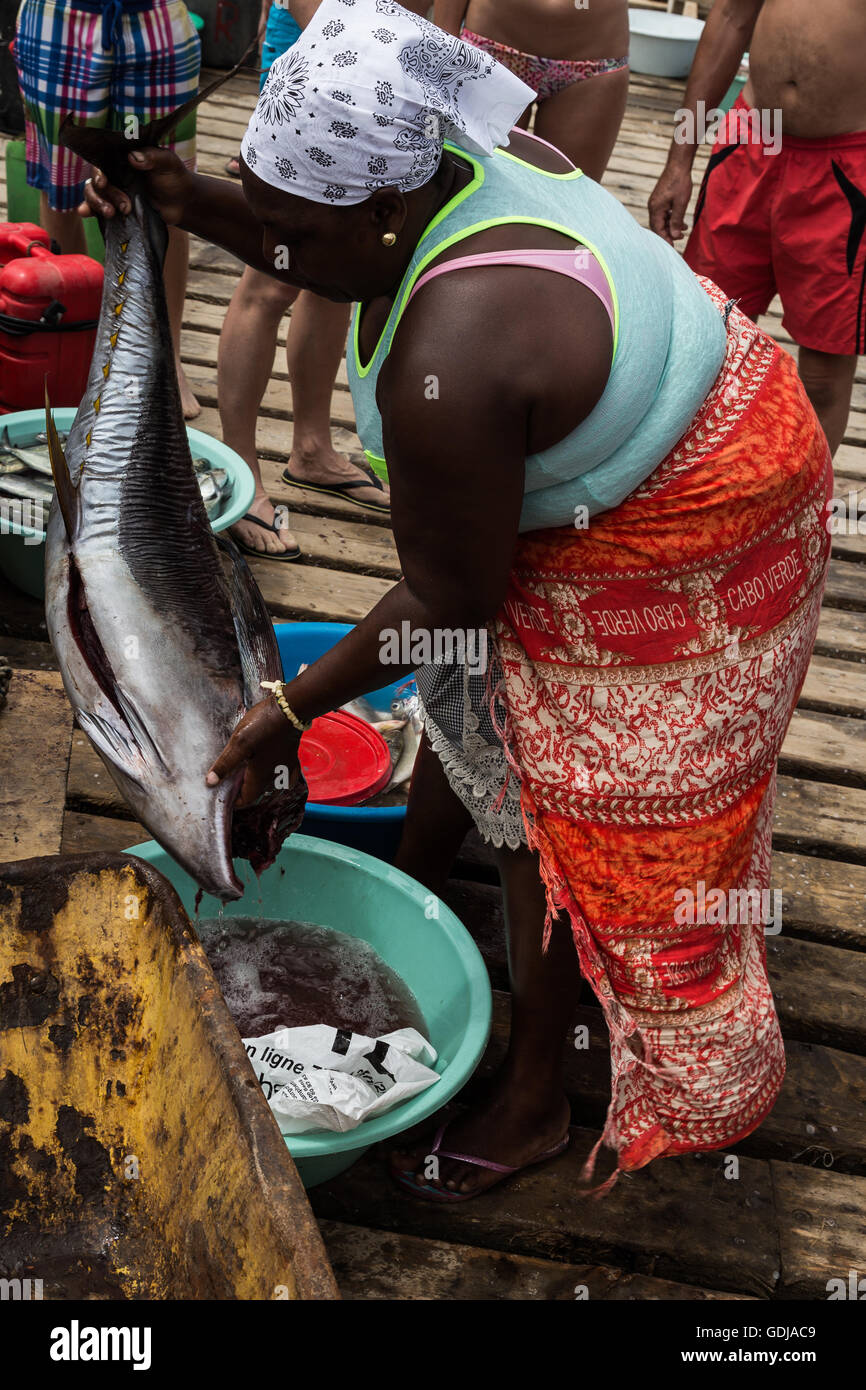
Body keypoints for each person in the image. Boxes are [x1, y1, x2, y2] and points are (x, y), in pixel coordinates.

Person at [85, 0, 832, 1199]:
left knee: (568, 813)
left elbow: (450, 602)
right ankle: (426, 872)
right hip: (658, 429)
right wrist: (183, 201)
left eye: (280, 220)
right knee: (480, 716)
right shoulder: (445, 158)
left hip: (697, 521)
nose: (262, 240)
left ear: (382, 207)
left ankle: (538, 1089)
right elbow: (321, 243)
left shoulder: (463, 345)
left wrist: (288, 706)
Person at [648, 0, 866, 458]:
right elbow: (730, 19)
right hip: (750, 141)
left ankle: (799, 512)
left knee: (825, 376)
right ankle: (687, 493)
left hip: (847, 167)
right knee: (705, 337)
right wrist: (678, 161)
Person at [219, 0, 389, 560]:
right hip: (320, 64)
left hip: (387, 78)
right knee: (270, 280)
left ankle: (312, 449)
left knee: (335, 275)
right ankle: (240, 474)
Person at [15, 0, 203, 418]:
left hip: (155, 18)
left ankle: (166, 360)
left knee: (164, 189)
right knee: (61, 184)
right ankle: (81, 341)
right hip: (57, 17)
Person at [434, 0, 629, 180]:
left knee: (568, 200)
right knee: (467, 190)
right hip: (490, 51)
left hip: (594, 64)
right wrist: (444, 42)